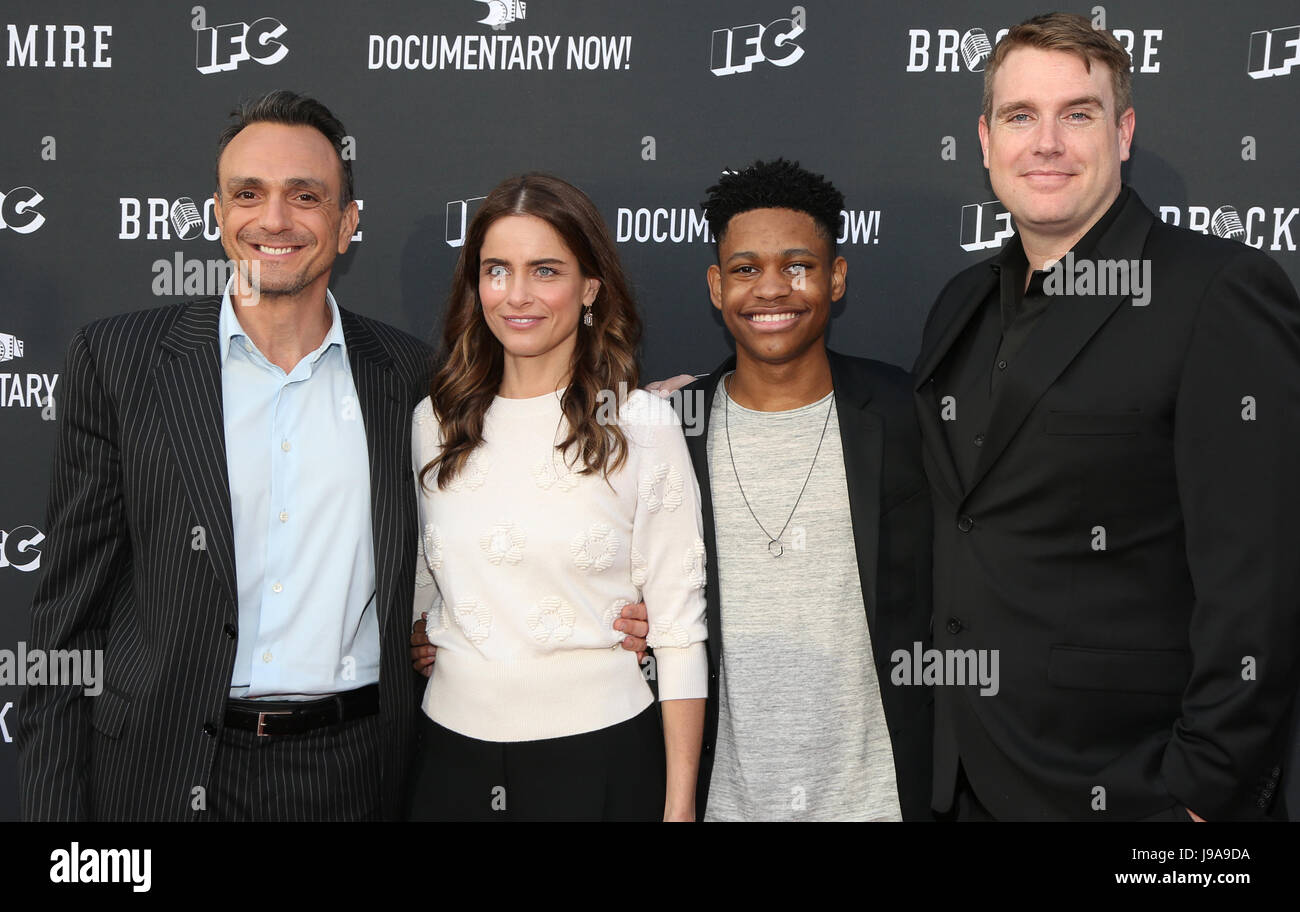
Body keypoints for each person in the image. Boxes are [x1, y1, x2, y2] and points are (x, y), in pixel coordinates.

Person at [914, 13, 1300, 820]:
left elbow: (1261, 576)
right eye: (1021, 116)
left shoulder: (1214, 293)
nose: (1045, 142)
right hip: (964, 778)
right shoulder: (962, 304)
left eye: (1077, 114)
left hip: (1136, 789)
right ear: (986, 141)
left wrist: (1203, 796)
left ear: (1123, 133)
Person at [17, 90, 433, 821]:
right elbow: (66, 619)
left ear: (347, 224)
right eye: (249, 194)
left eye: (305, 195)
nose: (273, 219)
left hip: (356, 773)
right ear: (217, 216)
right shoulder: (120, 362)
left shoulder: (411, 376)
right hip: (160, 768)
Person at [405, 173, 707, 821]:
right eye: (496, 270)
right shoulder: (434, 420)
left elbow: (681, 634)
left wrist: (679, 810)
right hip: (449, 761)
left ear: (590, 288)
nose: (517, 295)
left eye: (545, 271)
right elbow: (426, 587)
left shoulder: (641, 426)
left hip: (600, 757)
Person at [672, 160, 932, 820]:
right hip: (727, 802)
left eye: (798, 265)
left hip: (880, 802)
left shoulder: (909, 413)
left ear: (836, 277)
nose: (771, 289)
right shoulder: (671, 430)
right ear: (715, 285)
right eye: (745, 268)